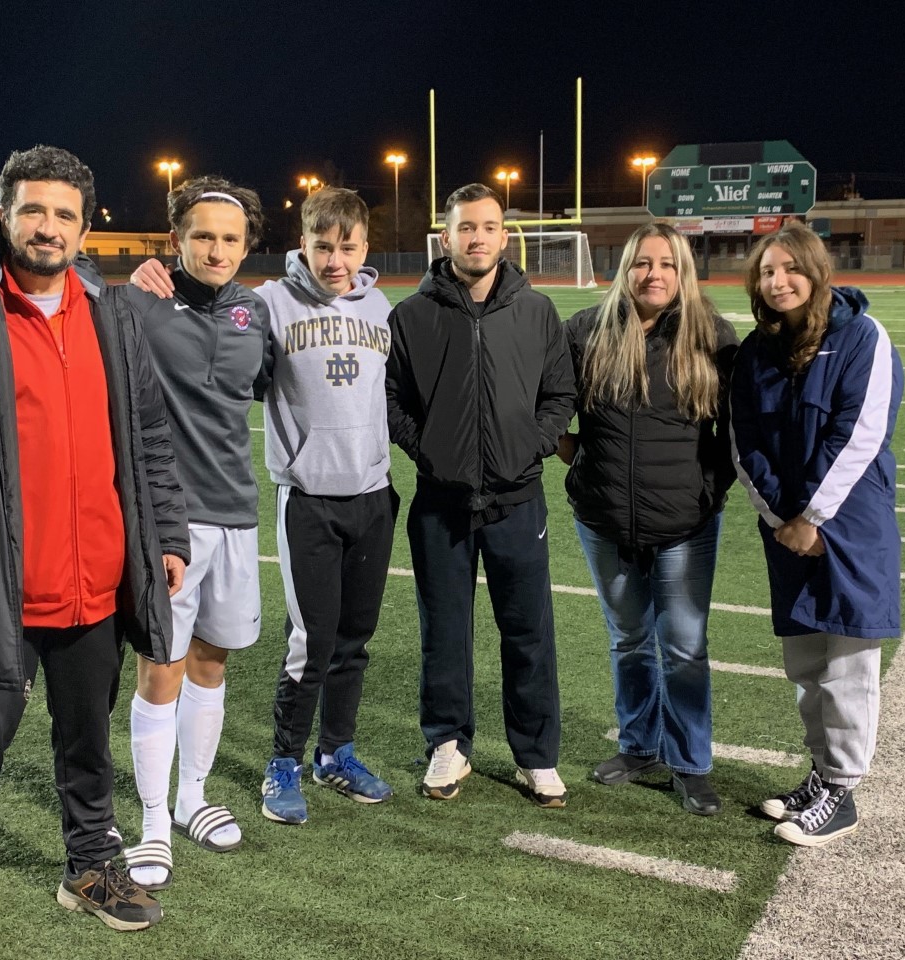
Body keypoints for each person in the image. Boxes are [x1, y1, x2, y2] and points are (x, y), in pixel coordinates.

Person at [0, 145, 187, 959]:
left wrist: (166, 535)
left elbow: (148, 435)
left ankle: (90, 866)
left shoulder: (110, 312)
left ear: (85, 227)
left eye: (64, 214)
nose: (48, 227)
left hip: (98, 580)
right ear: (5, 214)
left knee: (88, 741)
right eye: (34, 210)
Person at [130, 186, 397, 827]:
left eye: (349, 248)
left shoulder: (379, 306)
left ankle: (336, 752)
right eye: (323, 247)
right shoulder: (269, 302)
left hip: (369, 494)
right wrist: (142, 276)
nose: (336, 260)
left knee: (353, 639)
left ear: (366, 249)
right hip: (300, 495)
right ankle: (282, 762)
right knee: (309, 639)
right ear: (300, 244)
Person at [385, 182, 576, 807]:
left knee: (528, 630)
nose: (478, 238)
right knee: (445, 630)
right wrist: (428, 450)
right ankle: (448, 743)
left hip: (517, 498)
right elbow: (392, 398)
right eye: (466, 227)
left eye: (489, 227)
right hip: (440, 502)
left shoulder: (537, 311)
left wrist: (532, 445)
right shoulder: (411, 316)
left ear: (503, 237)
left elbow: (560, 394)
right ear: (446, 238)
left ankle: (536, 756)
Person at [731, 221, 903, 847]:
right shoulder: (756, 350)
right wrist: (782, 518)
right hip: (786, 528)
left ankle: (843, 790)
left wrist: (812, 518)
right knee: (805, 661)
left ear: (816, 270)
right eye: (766, 272)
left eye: (790, 268)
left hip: (848, 524)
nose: (778, 282)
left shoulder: (862, 336)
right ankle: (822, 774)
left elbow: (859, 434)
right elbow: (744, 441)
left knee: (849, 660)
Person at [558, 223, 739, 816]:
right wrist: (572, 453)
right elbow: (549, 401)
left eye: (666, 264)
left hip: (686, 524)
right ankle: (639, 746)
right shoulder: (587, 330)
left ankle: (690, 763)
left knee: (683, 647)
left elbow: (735, 432)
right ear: (625, 268)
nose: (653, 274)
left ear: (683, 272)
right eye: (642, 262)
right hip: (604, 519)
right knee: (629, 641)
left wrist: (706, 491)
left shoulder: (711, 334)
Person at [120, 177, 271, 890]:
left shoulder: (255, 312)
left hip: (236, 512)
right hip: (167, 520)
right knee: (162, 667)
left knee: (212, 660)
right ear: (176, 237)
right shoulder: (138, 303)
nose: (216, 249)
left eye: (230, 239)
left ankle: (192, 799)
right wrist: (132, 279)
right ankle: (152, 822)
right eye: (203, 235)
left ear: (247, 245)